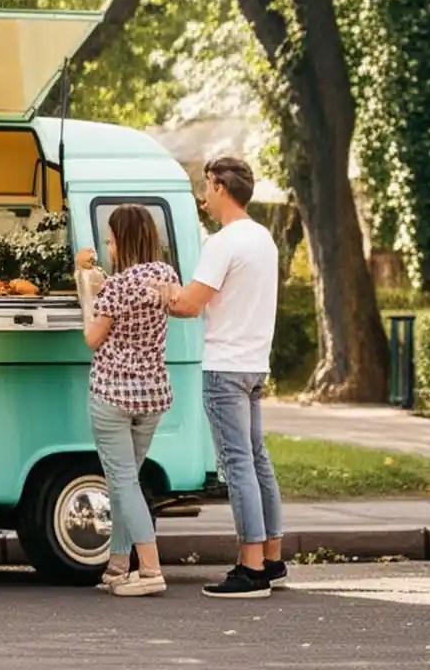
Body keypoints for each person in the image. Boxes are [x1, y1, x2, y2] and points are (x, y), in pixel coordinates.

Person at [164, 156, 285, 599]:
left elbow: (189, 304)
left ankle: (250, 569)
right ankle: (272, 557)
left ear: (219, 186)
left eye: (206, 187)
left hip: (225, 367)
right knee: (257, 460)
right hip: (255, 363)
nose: (204, 197)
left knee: (237, 466)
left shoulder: (222, 242)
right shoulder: (263, 239)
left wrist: (165, 293)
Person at [77, 205, 180, 598]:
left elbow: (92, 338)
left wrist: (90, 295)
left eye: (110, 239)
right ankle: (118, 565)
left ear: (121, 240)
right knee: (127, 483)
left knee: (121, 481)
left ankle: (151, 569)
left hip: (112, 395)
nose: (108, 245)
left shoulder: (117, 287)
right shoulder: (165, 276)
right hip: (152, 395)